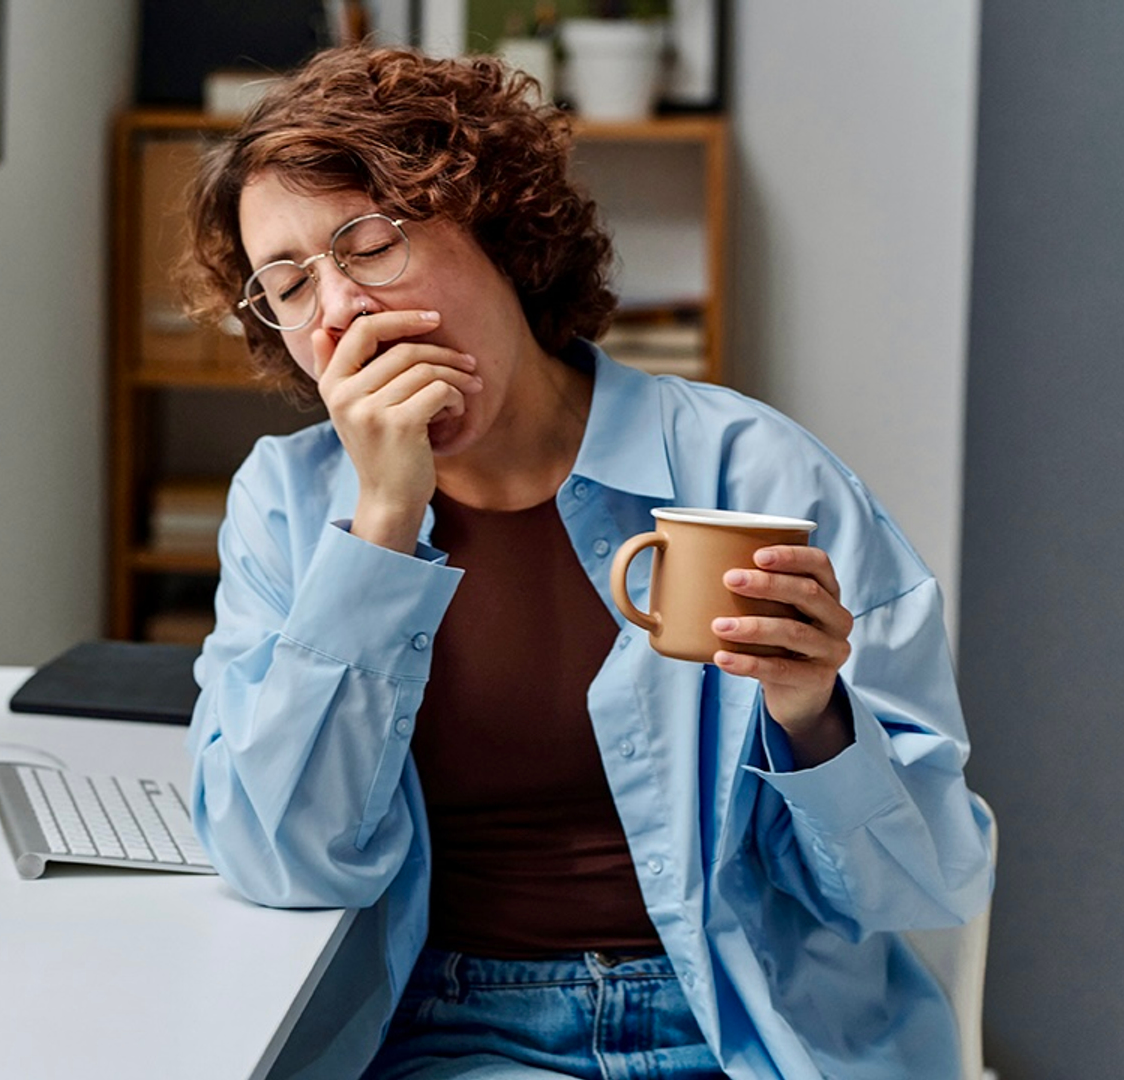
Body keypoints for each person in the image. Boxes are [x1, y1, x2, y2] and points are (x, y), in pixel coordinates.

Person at [178, 45, 993, 1080]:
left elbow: (920, 888)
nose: (335, 309)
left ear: (499, 231)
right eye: (287, 284)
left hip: (754, 1026)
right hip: (451, 1028)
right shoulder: (290, 507)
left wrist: (816, 718)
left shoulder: (755, 472)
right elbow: (281, 862)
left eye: (368, 242)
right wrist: (380, 525)